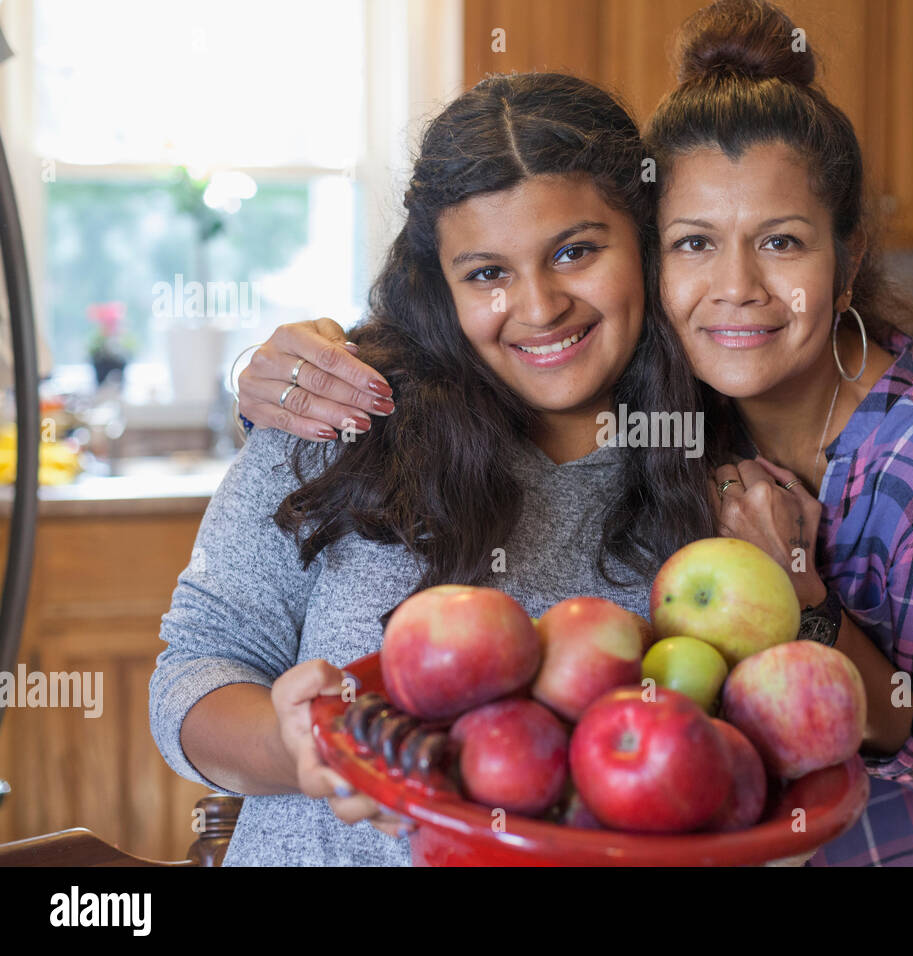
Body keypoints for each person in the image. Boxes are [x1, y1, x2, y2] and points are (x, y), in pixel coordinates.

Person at [241, 0, 913, 866]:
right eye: (693, 244)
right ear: (653, 256)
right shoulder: (687, 404)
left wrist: (802, 592)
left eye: (783, 242)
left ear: (849, 255)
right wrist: (282, 375)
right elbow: (487, 349)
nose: (736, 288)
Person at [150, 71, 714, 866]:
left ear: (648, 245)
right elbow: (194, 670)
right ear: (440, 285)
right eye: (487, 272)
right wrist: (298, 749)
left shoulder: (712, 460)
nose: (540, 305)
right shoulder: (338, 414)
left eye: (576, 251)